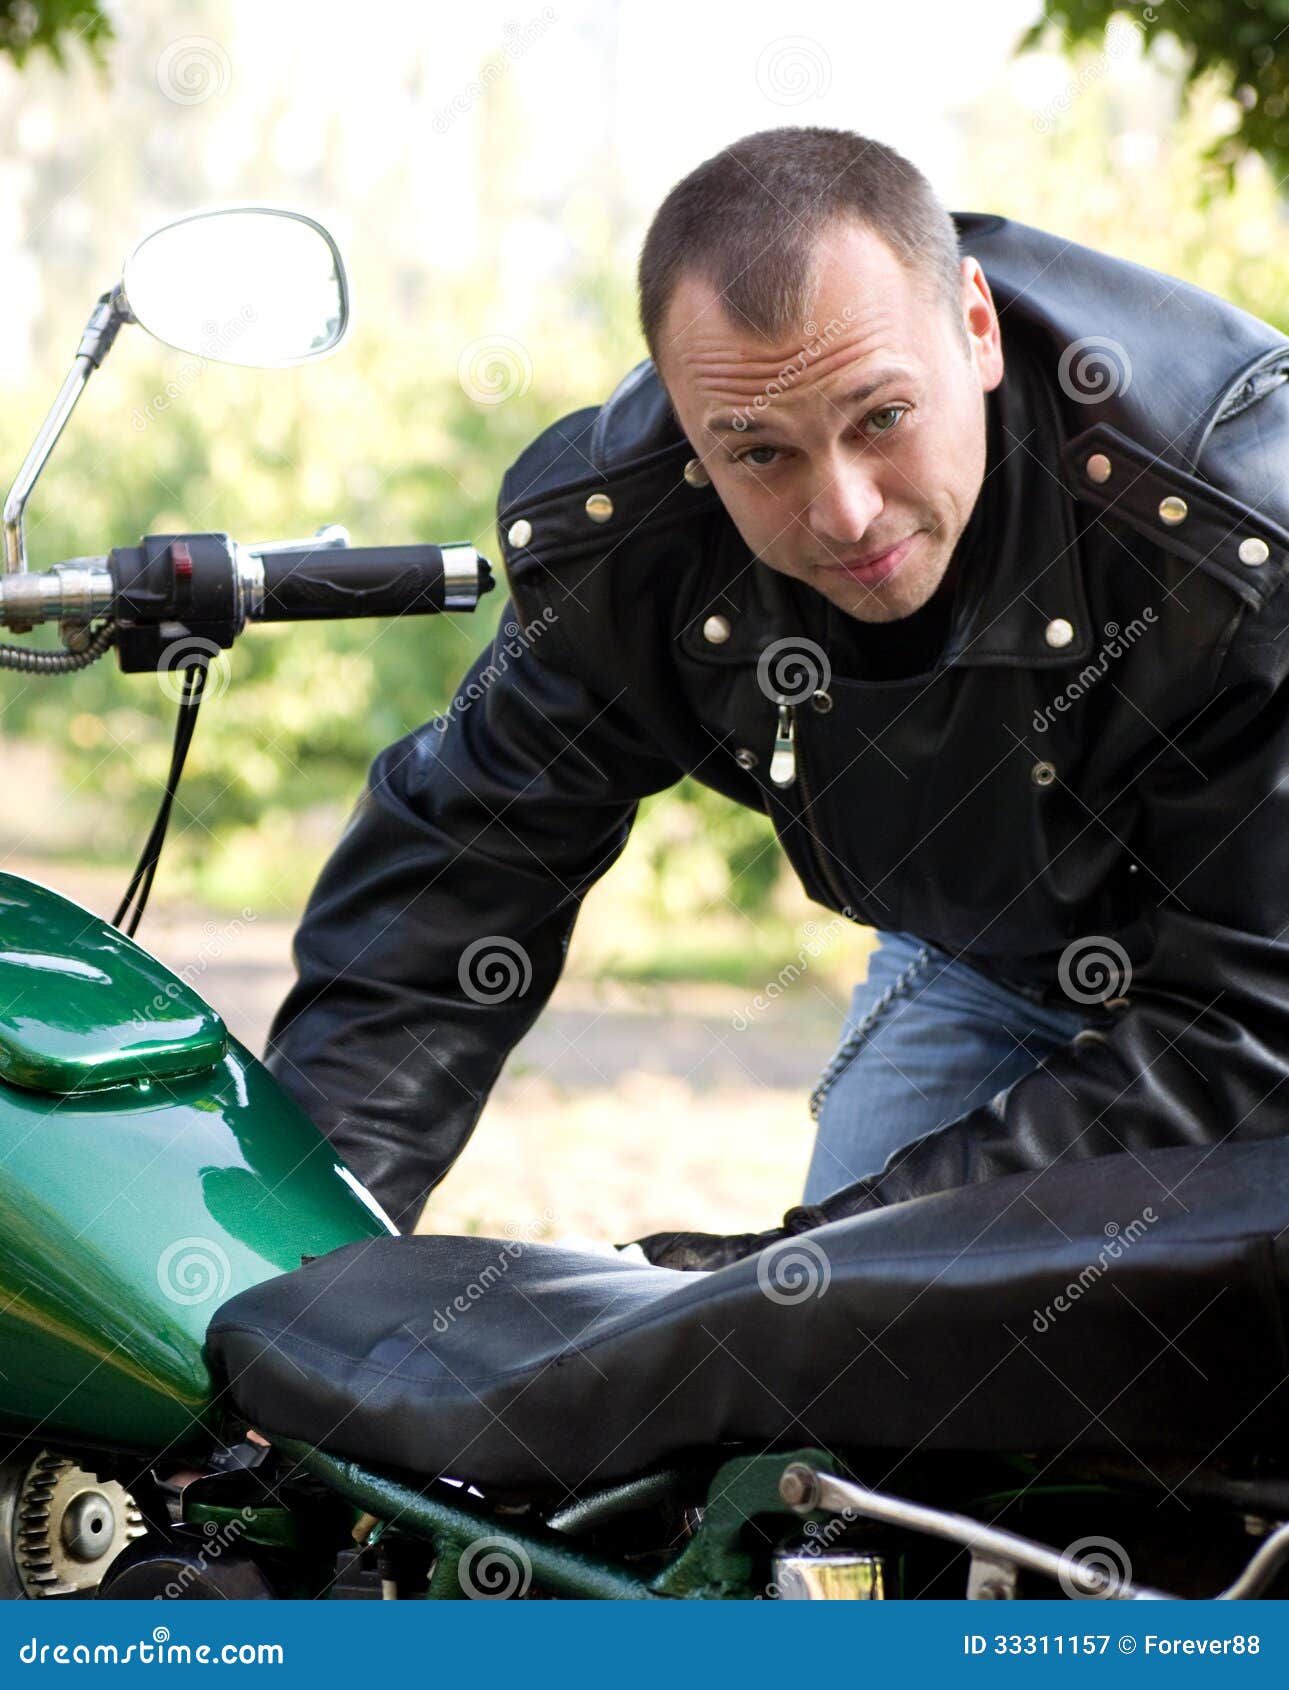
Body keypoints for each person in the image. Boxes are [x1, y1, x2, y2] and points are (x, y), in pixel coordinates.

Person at [263, 127, 1289, 1261]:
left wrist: (795, 1263)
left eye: (879, 419)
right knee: (856, 1392)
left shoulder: (1229, 526)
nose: (844, 511)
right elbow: (456, 888)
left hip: (1249, 1000)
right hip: (983, 954)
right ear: (695, 437)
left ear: (976, 330)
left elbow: (1244, 1032)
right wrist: (291, 1277)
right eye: (760, 454)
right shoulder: (634, 545)